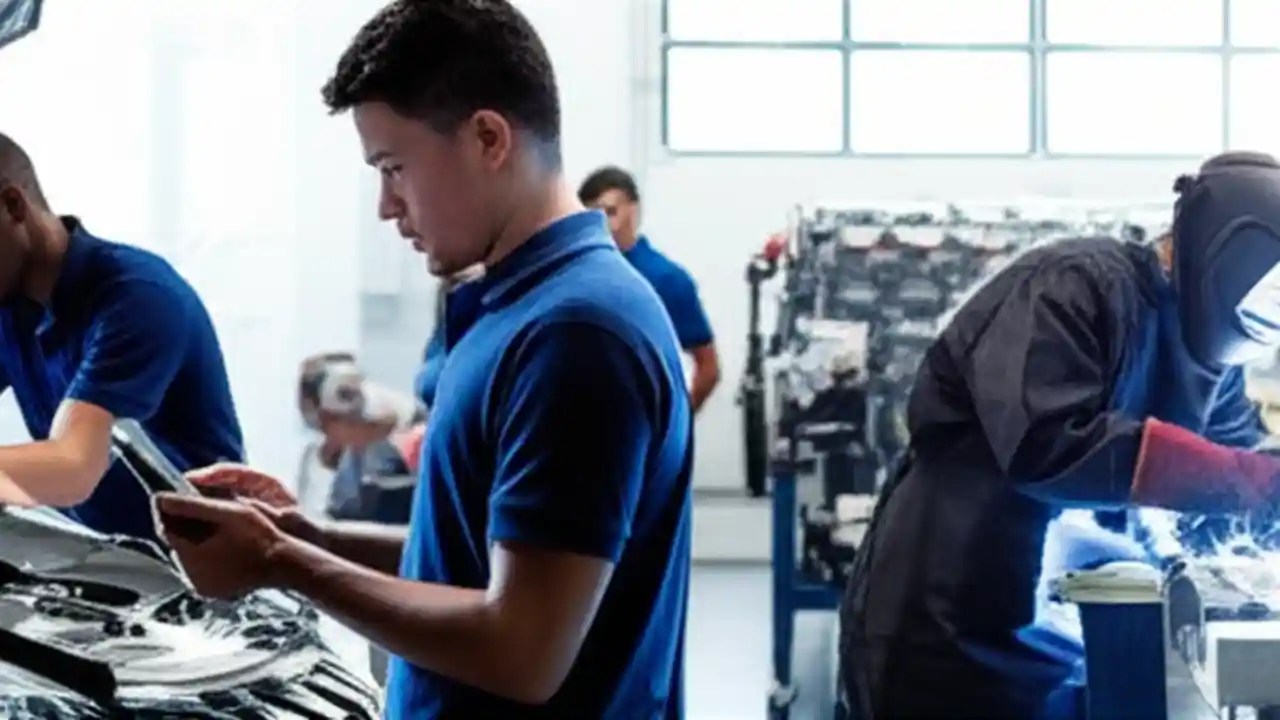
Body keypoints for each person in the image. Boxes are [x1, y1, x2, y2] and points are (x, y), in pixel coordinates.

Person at [151, 3, 695, 719]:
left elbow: (522, 649)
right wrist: (306, 535)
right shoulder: (516, 305)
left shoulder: (577, 334)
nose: (386, 205)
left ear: (488, 138)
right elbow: (482, 551)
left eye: (394, 167)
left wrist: (280, 564)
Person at [840, 151, 1280, 719]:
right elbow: (1047, 445)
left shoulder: (1206, 351)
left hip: (1060, 631)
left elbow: (1238, 457)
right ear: (1231, 252)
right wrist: (1252, 481)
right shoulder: (1073, 287)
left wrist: (1262, 489)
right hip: (949, 621)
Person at [0, 132, 243, 541]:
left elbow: (73, 468)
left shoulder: (137, 294)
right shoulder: (11, 304)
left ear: (12, 207)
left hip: (198, 576)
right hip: (107, 570)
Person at [578, 166, 720, 413]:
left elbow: (708, 369)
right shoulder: (574, 278)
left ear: (634, 211)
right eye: (593, 216)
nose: (603, 225)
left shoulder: (666, 279)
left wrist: (675, 431)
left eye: (610, 212)